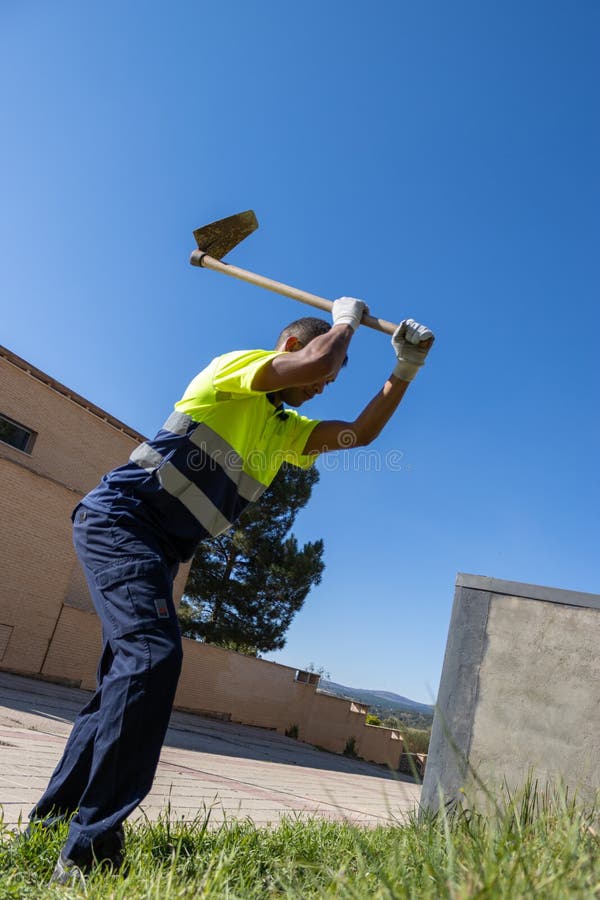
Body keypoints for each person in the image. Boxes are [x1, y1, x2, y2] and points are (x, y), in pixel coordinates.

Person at [29, 297, 434, 883]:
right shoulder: (232, 374)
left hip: (160, 548)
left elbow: (360, 435)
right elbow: (319, 365)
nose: (324, 389)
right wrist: (346, 319)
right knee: (151, 658)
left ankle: (53, 823)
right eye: (326, 372)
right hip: (120, 520)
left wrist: (404, 371)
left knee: (125, 678)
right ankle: (89, 850)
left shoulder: (285, 431)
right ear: (292, 346)